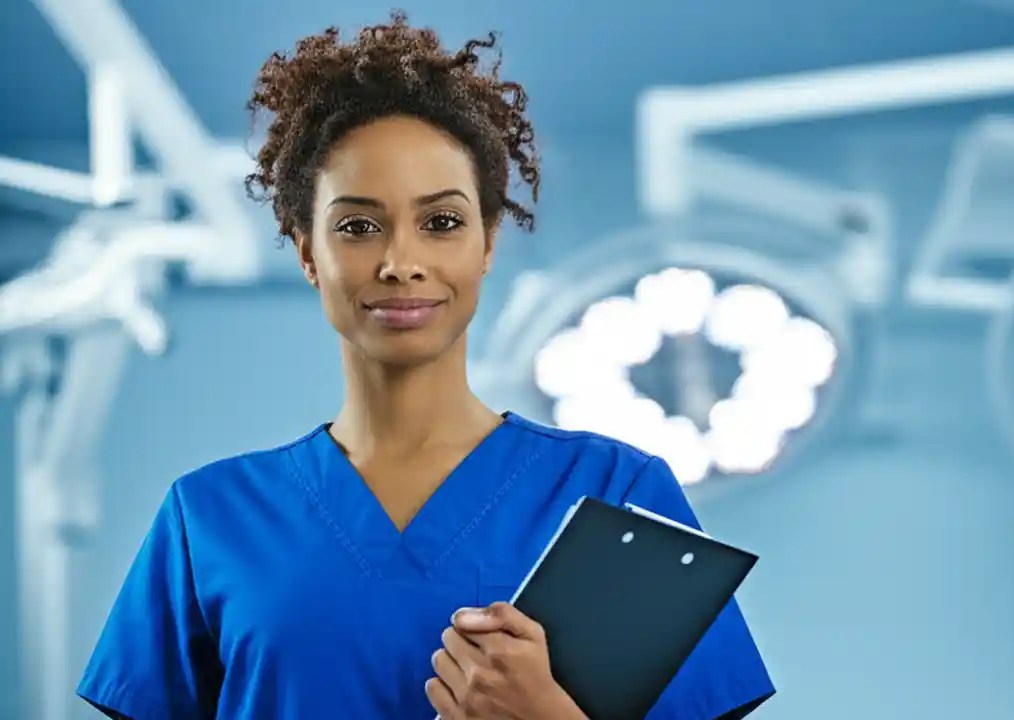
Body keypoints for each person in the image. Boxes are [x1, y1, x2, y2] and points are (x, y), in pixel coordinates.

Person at [76, 11, 774, 720]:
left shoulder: (618, 492)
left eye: (441, 222)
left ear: (487, 242)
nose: (400, 262)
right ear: (306, 251)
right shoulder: (209, 519)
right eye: (356, 226)